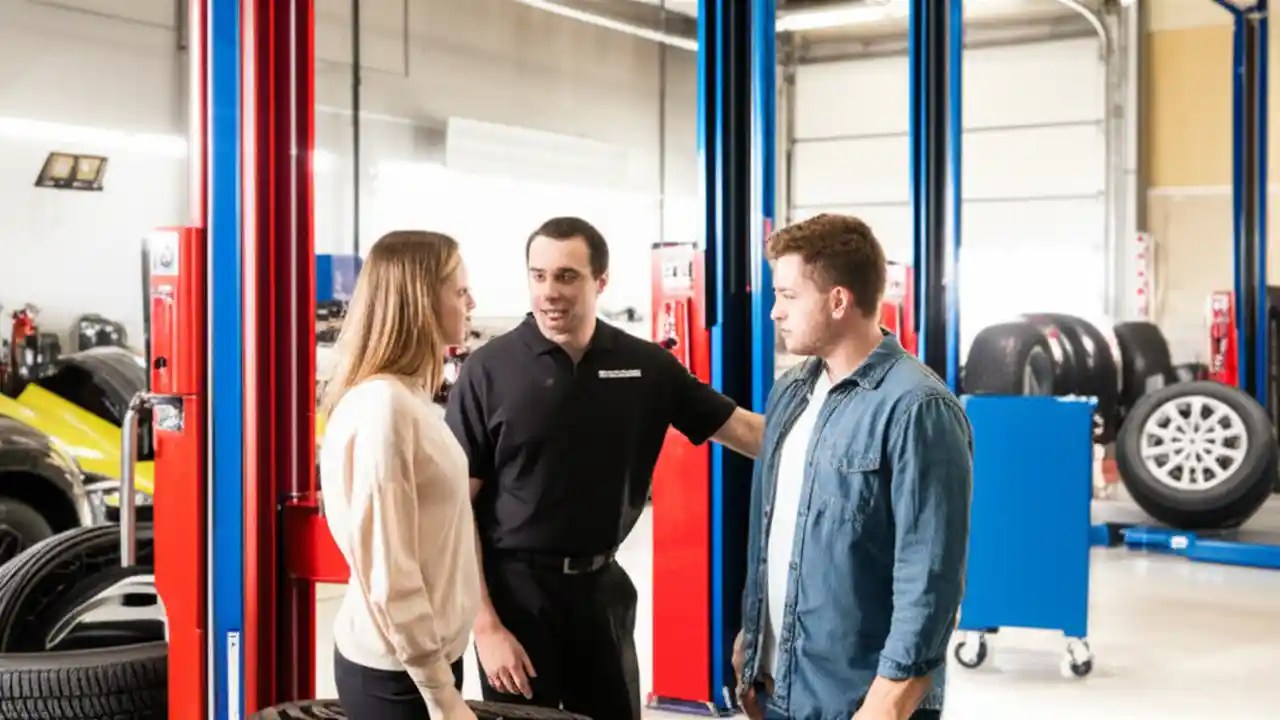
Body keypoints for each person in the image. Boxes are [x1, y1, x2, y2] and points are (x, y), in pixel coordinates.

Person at [445, 216, 765, 720]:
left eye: (566, 276)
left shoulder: (645, 367)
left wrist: (840, 433)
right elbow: (456, 511)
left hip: (602, 593)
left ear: (601, 281)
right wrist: (485, 626)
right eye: (538, 276)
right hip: (516, 599)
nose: (549, 291)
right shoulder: (488, 370)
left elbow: (743, 430)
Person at [731, 214, 973, 720]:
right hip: (779, 687)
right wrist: (755, 643)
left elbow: (930, 577)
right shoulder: (792, 391)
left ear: (838, 301)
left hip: (861, 703)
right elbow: (777, 534)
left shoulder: (917, 408)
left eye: (788, 295)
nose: (775, 311)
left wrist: (891, 700)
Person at [319, 230, 481, 720]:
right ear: (420, 301)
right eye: (460, 291)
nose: (472, 303)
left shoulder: (409, 398)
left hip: (424, 661)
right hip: (401, 674)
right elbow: (389, 570)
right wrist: (440, 693)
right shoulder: (383, 407)